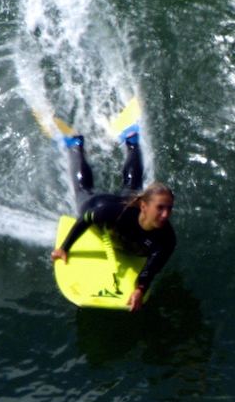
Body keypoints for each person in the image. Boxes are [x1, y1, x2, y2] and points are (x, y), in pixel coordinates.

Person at [51, 126, 176, 312]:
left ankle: (132, 142)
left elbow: (151, 269)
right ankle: (75, 145)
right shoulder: (119, 213)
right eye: (160, 208)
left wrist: (140, 290)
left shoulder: (166, 239)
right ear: (144, 206)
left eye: (169, 208)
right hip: (100, 204)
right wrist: (64, 247)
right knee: (83, 190)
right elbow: (86, 218)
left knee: (133, 186)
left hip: (125, 205)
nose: (165, 215)